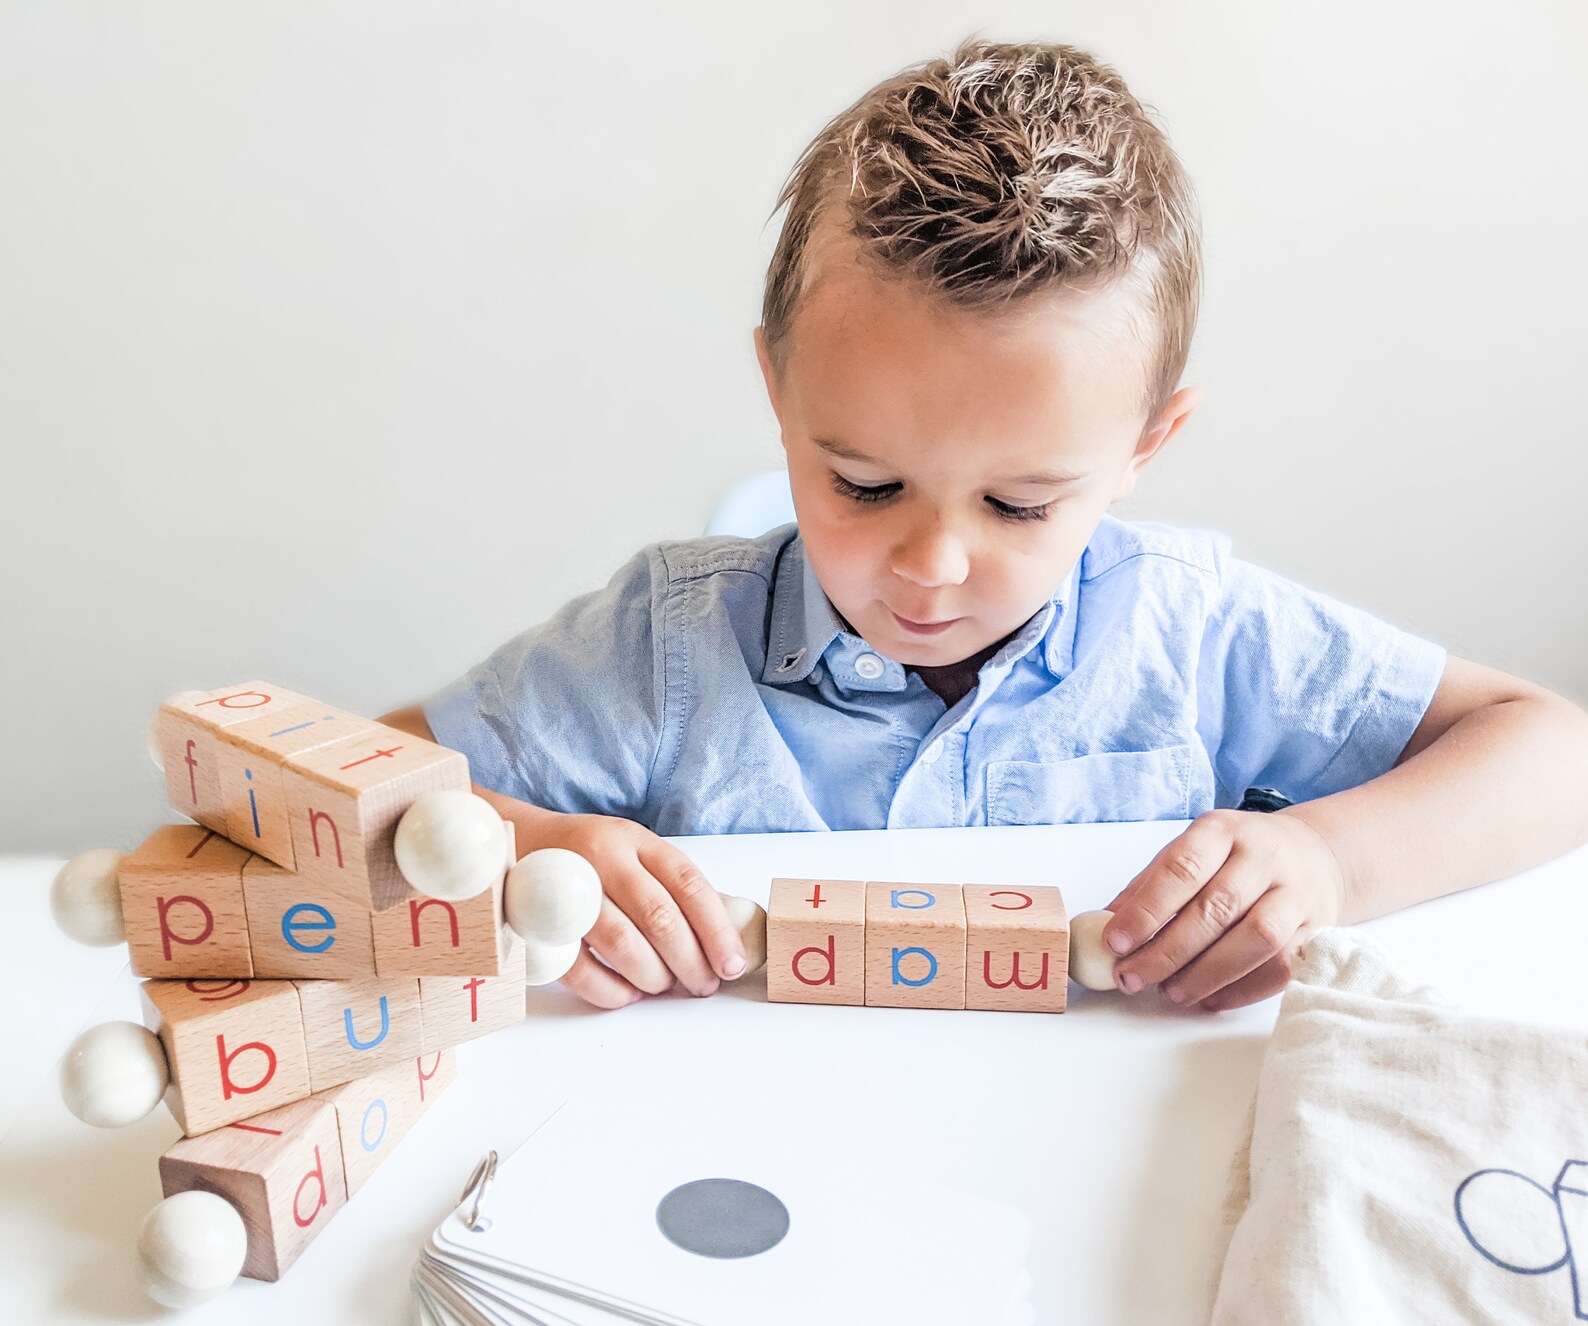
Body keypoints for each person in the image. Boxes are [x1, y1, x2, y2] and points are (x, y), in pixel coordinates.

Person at [383, 38, 1588, 1013]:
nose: (931, 566)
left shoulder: (1197, 632)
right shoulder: (664, 647)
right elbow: (328, 785)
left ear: (1142, 450)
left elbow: (1553, 753)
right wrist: (517, 854)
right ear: (779, 390)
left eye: (1018, 504)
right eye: (862, 483)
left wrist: (1330, 861)